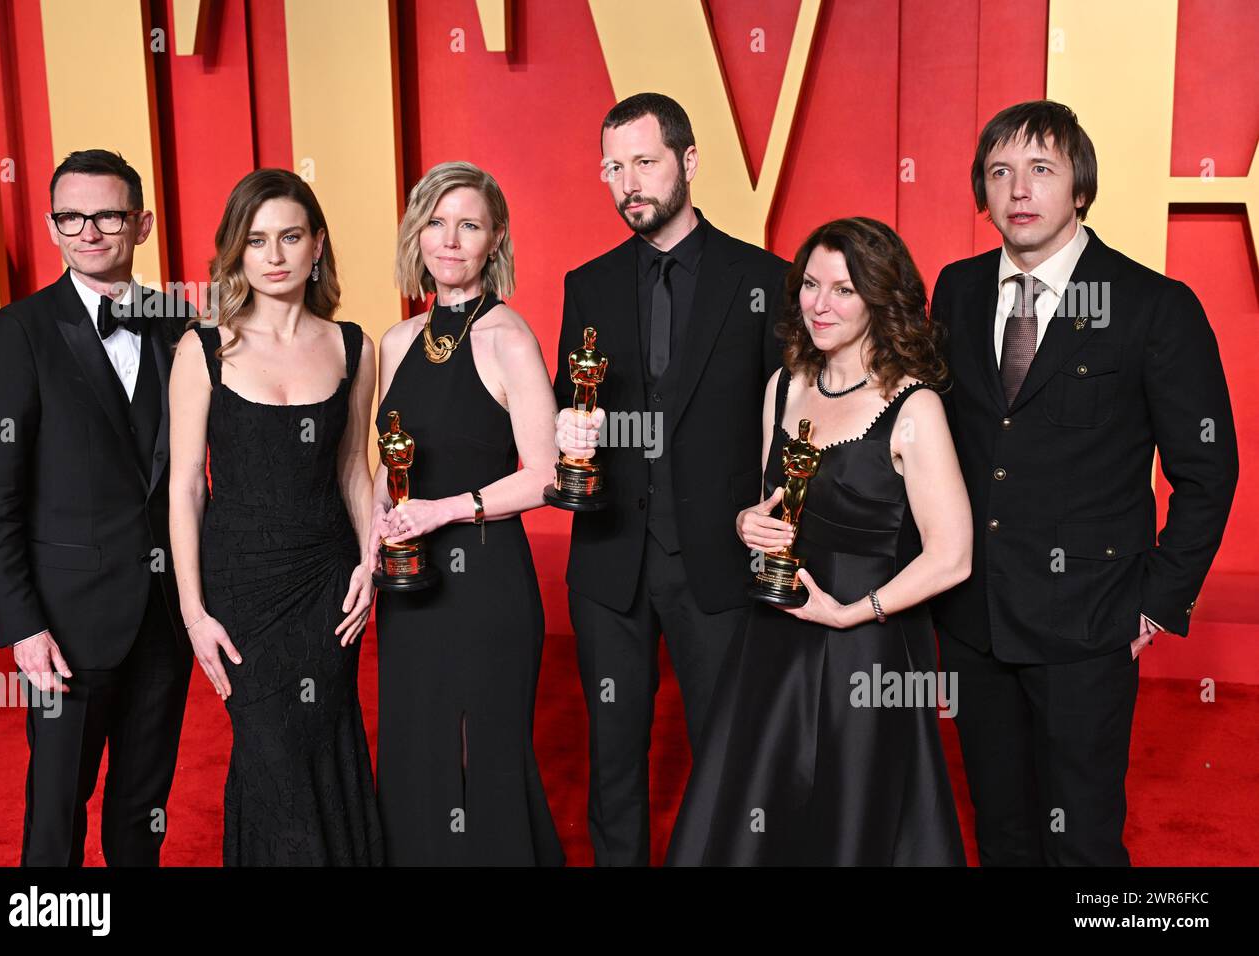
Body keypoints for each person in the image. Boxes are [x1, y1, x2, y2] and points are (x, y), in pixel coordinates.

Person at [929, 100, 1239, 865]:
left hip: (1089, 624)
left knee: (1084, 841)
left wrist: (1160, 600)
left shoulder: (1152, 305)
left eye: (1041, 170)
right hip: (974, 620)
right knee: (1000, 832)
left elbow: (1207, 470)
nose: (1019, 190)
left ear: (1079, 188)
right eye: (1000, 172)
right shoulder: (958, 290)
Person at [666, 217, 972, 865]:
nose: (819, 304)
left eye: (843, 289)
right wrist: (748, 524)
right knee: (758, 816)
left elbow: (953, 555)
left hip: (868, 648)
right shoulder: (784, 386)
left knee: (851, 818)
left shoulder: (914, 407)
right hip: (773, 640)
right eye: (810, 284)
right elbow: (771, 506)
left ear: (879, 299)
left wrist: (852, 612)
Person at [553, 92, 788, 865]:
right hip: (610, 563)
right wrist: (570, 434)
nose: (629, 184)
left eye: (645, 163)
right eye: (614, 168)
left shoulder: (765, 280)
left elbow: (790, 429)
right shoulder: (586, 284)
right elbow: (571, 412)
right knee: (613, 762)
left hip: (718, 562)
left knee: (731, 759)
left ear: (688, 162)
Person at [0, 149, 193, 865]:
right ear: (51, 224)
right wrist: (23, 624)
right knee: (56, 810)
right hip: (64, 623)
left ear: (143, 223)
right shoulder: (19, 332)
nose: (87, 231)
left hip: (165, 614)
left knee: (143, 807)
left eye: (106, 214)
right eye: (70, 216)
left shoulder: (179, 324)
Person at [168, 168, 381, 865]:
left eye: (290, 236)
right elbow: (186, 491)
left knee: (323, 736)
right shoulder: (202, 351)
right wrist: (194, 614)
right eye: (256, 241)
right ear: (237, 252)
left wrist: (369, 565)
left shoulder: (353, 346)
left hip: (326, 580)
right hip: (242, 589)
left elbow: (354, 467)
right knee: (271, 751)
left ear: (317, 244)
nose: (275, 255)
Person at [370, 161, 564, 866]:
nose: (450, 240)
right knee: (414, 747)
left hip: (487, 585)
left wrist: (439, 513)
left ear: (495, 240)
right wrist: (372, 553)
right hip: (408, 588)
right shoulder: (395, 342)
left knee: (481, 753)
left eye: (470, 225)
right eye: (437, 222)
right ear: (417, 232)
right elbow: (379, 475)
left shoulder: (509, 337)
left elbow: (546, 478)